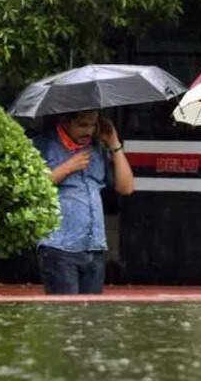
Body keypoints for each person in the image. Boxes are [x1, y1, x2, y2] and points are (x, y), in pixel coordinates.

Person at [34, 110, 134, 294]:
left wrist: (115, 144)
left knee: (91, 317)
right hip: (59, 247)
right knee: (67, 315)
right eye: (82, 125)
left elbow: (126, 187)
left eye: (93, 125)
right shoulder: (43, 145)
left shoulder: (98, 148)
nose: (89, 131)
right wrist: (67, 168)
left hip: (94, 247)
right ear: (65, 121)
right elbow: (32, 188)